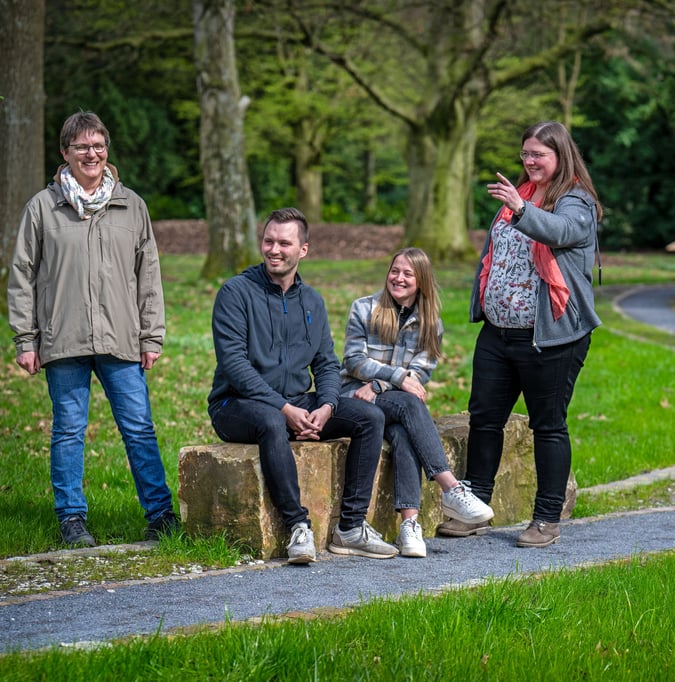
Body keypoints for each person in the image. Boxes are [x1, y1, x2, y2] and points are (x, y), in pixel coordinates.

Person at [7, 111, 180, 548]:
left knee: (139, 427)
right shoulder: (42, 208)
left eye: (99, 145)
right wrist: (26, 340)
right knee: (68, 429)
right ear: (65, 152)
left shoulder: (131, 205)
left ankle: (160, 515)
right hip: (62, 340)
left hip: (121, 338)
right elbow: (22, 275)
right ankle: (71, 518)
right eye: (82, 146)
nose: (92, 153)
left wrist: (151, 335)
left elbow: (149, 276)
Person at [436, 121, 602, 548]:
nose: (529, 162)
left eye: (538, 155)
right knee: (485, 419)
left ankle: (546, 518)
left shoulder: (576, 201)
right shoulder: (521, 196)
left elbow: (561, 232)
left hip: (550, 337)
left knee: (548, 425)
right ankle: (475, 508)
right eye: (525, 154)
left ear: (561, 156)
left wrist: (522, 209)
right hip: (498, 333)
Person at [208, 207, 397, 564]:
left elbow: (326, 362)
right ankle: (298, 526)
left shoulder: (312, 301)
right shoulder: (236, 293)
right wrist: (285, 409)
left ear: (303, 250)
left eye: (284, 243)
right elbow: (234, 366)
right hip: (236, 405)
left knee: (369, 417)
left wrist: (326, 406)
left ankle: (351, 528)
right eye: (268, 241)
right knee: (271, 421)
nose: (274, 250)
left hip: (298, 402)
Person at [340, 248, 494, 557]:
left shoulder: (430, 324)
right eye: (394, 271)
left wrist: (382, 383)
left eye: (407, 274)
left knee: (402, 433)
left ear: (421, 281)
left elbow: (419, 376)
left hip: (385, 400)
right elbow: (354, 360)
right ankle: (450, 487)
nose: (398, 278)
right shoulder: (364, 308)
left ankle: (409, 527)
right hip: (354, 397)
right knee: (411, 407)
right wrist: (396, 377)